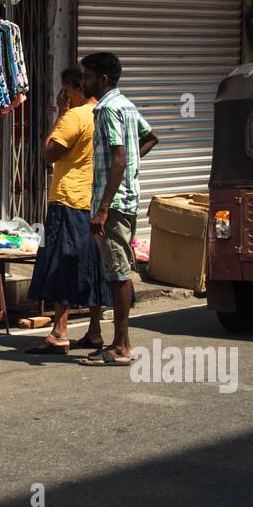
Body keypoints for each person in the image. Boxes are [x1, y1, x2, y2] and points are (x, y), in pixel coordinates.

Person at [79, 52, 158, 367]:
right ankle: (120, 343)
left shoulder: (107, 109)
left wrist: (103, 207)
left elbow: (120, 158)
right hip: (127, 199)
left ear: (103, 79)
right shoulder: (126, 104)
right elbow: (150, 137)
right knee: (117, 269)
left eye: (87, 76)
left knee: (118, 272)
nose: (83, 81)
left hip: (113, 204)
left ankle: (121, 346)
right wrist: (131, 174)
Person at [25, 68, 109, 354]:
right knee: (93, 263)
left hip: (69, 199)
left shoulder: (74, 117)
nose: (65, 95)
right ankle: (95, 331)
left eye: (67, 90)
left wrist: (60, 113)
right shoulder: (105, 114)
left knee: (63, 263)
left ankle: (60, 332)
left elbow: (50, 152)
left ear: (75, 89)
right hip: (95, 202)